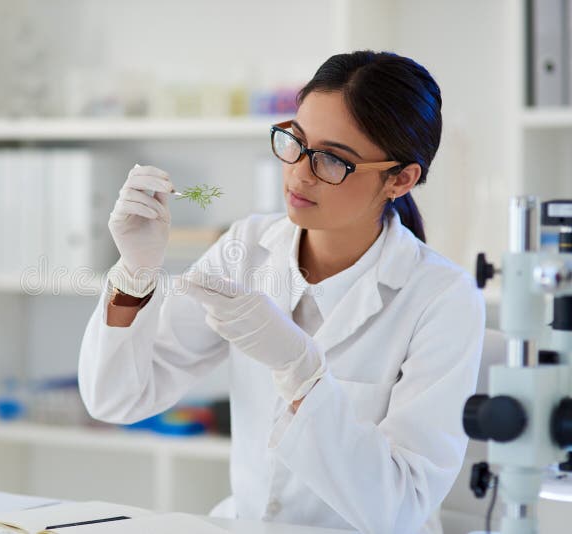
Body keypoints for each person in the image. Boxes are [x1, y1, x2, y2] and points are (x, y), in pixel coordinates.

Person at [78, 50, 484, 534]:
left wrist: (302, 374)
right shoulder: (246, 249)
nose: (300, 172)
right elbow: (118, 399)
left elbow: (399, 509)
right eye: (297, 141)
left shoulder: (442, 299)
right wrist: (134, 274)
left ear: (400, 179)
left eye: (333, 159)